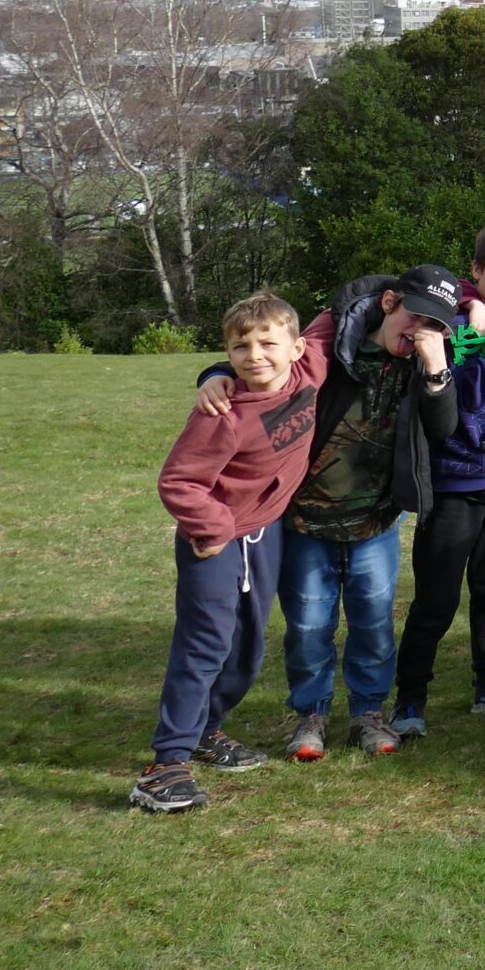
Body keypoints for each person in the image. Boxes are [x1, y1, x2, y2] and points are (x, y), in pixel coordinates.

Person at [190, 265, 463, 763]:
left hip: (376, 522)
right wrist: (215, 374)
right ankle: (310, 714)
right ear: (388, 304)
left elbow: (443, 428)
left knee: (373, 623)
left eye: (438, 325)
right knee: (310, 626)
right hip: (305, 521)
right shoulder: (332, 344)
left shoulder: (428, 359)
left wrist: (435, 369)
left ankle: (367, 712)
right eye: (416, 318)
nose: (424, 332)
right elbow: (266, 359)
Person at [132, 294, 326, 813]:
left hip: (265, 534)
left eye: (267, 343)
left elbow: (350, 306)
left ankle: (205, 730)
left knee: (247, 647)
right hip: (214, 544)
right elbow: (179, 481)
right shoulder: (221, 414)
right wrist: (215, 527)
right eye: (240, 347)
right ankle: (165, 765)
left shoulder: (310, 371)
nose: (254, 354)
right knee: (205, 645)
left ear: (297, 348)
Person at [391, 227, 485, 734]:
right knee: (435, 600)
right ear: (475, 271)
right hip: (455, 485)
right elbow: (464, 404)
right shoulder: (452, 326)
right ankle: (409, 698)